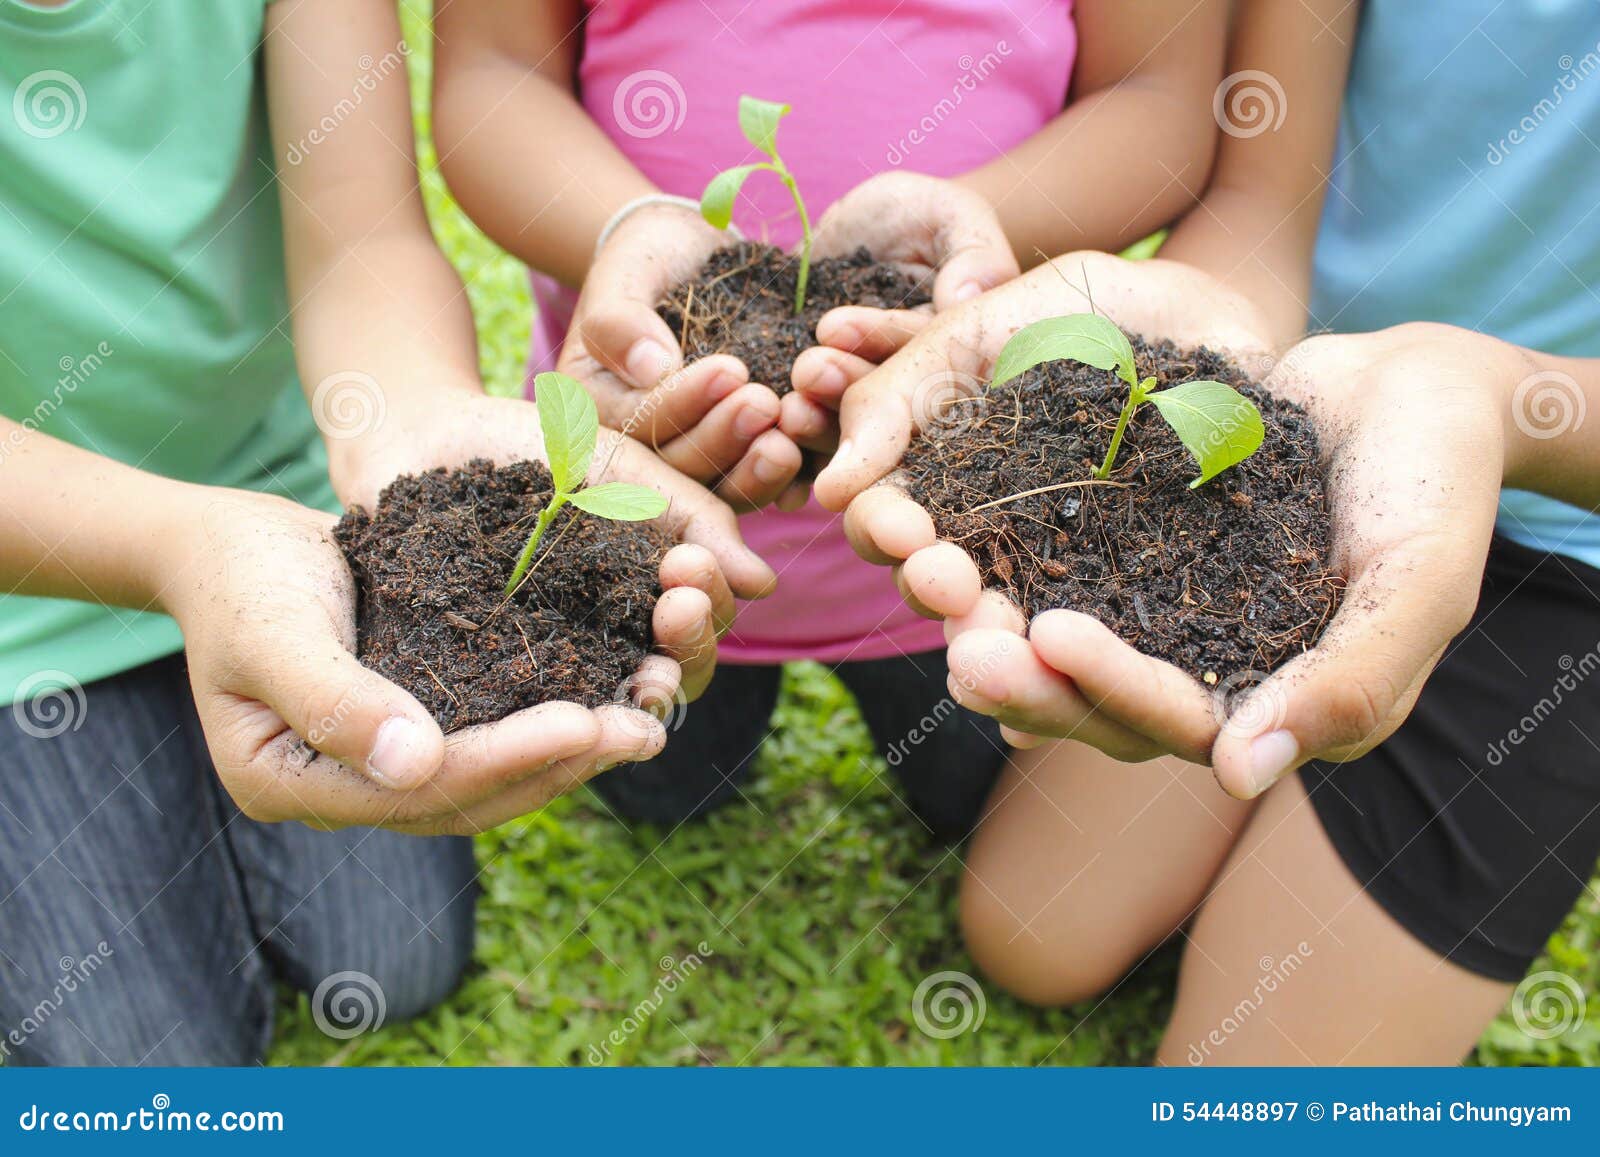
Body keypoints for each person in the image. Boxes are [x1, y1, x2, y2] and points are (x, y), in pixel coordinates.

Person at [819, 0, 1600, 1063]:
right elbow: (1261, 203)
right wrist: (1205, 313)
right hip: (1299, 434)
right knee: (1031, 938)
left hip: (1566, 557)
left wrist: (1497, 400)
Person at [0, 0, 768, 1066]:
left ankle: (206, 665)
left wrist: (408, 414)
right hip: (27, 592)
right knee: (140, 1061)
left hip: (289, 504)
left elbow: (359, 242)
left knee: (393, 959)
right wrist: (178, 547)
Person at [432, 0, 1231, 833]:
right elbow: (496, 72)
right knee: (662, 789)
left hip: (949, 531)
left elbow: (1155, 97)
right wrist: (628, 226)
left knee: (975, 790)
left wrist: (964, 241)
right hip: (653, 509)